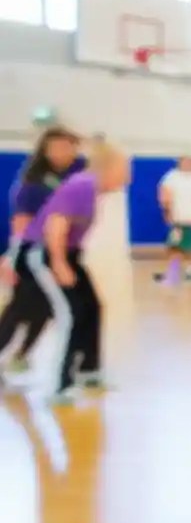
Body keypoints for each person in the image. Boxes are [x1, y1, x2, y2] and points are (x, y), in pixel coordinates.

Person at [27, 141, 131, 403]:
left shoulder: (93, 189)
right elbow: (55, 225)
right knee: (71, 315)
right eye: (125, 169)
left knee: (92, 307)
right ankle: (59, 385)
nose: (128, 176)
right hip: (49, 253)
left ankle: (89, 371)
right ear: (109, 169)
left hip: (69, 254)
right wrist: (60, 264)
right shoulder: (81, 185)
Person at [0, 127, 81, 378]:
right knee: (19, 309)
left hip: (60, 253)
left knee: (46, 309)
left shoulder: (76, 175)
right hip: (32, 253)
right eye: (56, 147)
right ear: (45, 151)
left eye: (68, 146)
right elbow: (21, 223)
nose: (63, 152)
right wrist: (11, 258)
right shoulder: (33, 183)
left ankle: (21, 356)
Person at [154, 156, 191, 286]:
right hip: (177, 219)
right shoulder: (171, 177)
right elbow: (164, 195)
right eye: (185, 160)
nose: (189, 163)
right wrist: (167, 212)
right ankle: (173, 274)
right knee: (174, 246)